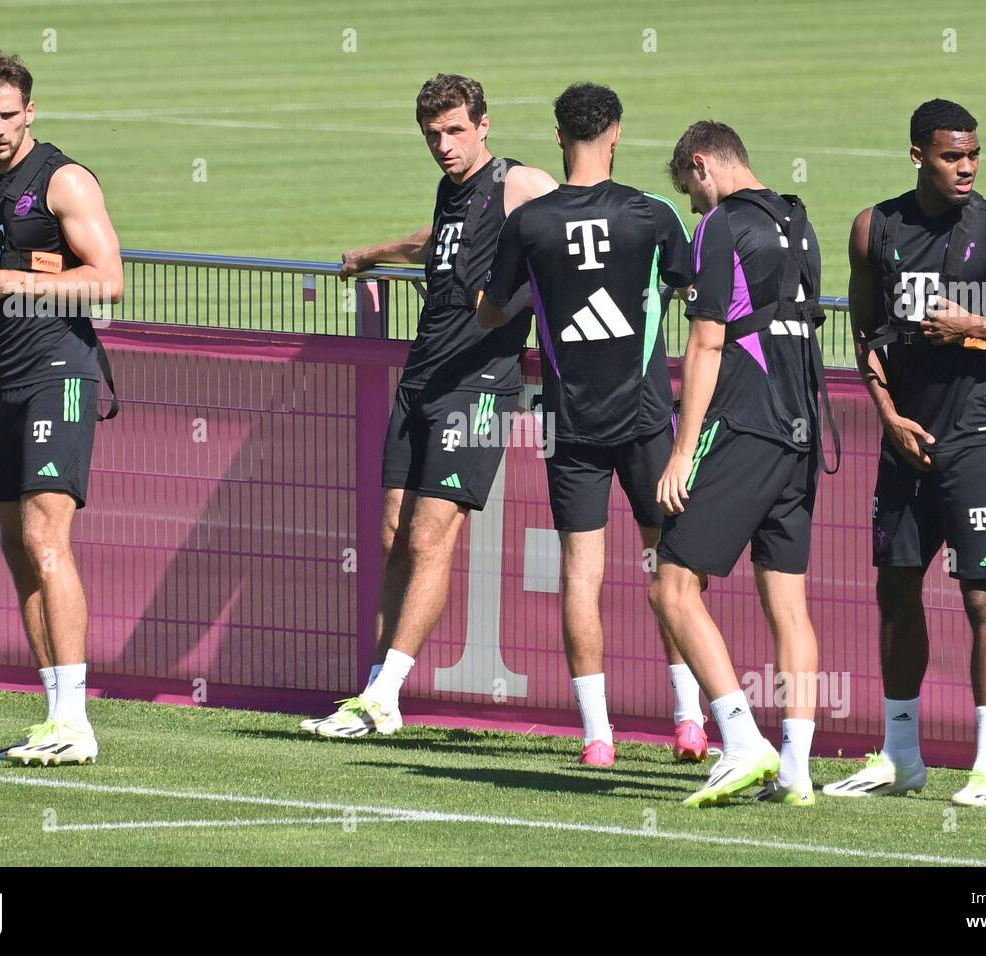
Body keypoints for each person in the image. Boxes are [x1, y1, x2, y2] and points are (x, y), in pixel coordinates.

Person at [825, 99, 986, 807]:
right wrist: (887, 415)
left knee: (983, 595)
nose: (966, 167)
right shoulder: (875, 227)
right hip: (906, 438)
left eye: (973, 155)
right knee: (895, 590)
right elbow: (865, 333)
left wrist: (977, 325)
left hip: (976, 437)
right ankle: (902, 757)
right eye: (951, 156)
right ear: (917, 156)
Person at [302, 74, 557, 738]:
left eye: (454, 131)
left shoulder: (518, 184)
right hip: (421, 378)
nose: (443, 145)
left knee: (429, 537)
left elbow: (576, 233)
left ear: (483, 125)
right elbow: (434, 243)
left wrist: (523, 300)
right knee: (392, 536)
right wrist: (373, 254)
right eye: (432, 135)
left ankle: (385, 694)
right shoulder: (453, 190)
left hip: (478, 384)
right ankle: (373, 691)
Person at [478, 83, 709, 766]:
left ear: (557, 136)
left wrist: (529, 292)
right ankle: (689, 720)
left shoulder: (530, 223)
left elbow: (493, 310)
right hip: (644, 420)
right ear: (617, 132)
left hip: (568, 422)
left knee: (582, 575)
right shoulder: (654, 214)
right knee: (671, 569)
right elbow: (692, 292)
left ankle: (598, 736)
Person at [0, 50, 124, 766]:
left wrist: (18, 280)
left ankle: (76, 720)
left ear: (30, 112)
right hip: (2, 382)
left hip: (59, 373)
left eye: (10, 115)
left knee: (46, 539)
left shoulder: (63, 180)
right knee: (17, 549)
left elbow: (110, 282)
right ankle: (52, 716)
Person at [651, 121, 836, 807]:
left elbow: (705, 343)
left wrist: (681, 451)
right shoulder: (800, 220)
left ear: (702, 165)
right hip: (802, 431)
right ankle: (795, 767)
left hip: (743, 424)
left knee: (671, 585)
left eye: (692, 194)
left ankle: (741, 739)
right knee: (788, 603)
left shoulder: (722, 225)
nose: (696, 209)